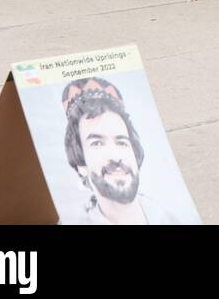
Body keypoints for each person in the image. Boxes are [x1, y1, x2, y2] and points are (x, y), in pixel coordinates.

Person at [62, 82, 180, 224]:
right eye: (97, 143)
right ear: (81, 165)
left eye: (121, 142)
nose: (116, 156)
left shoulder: (172, 219)